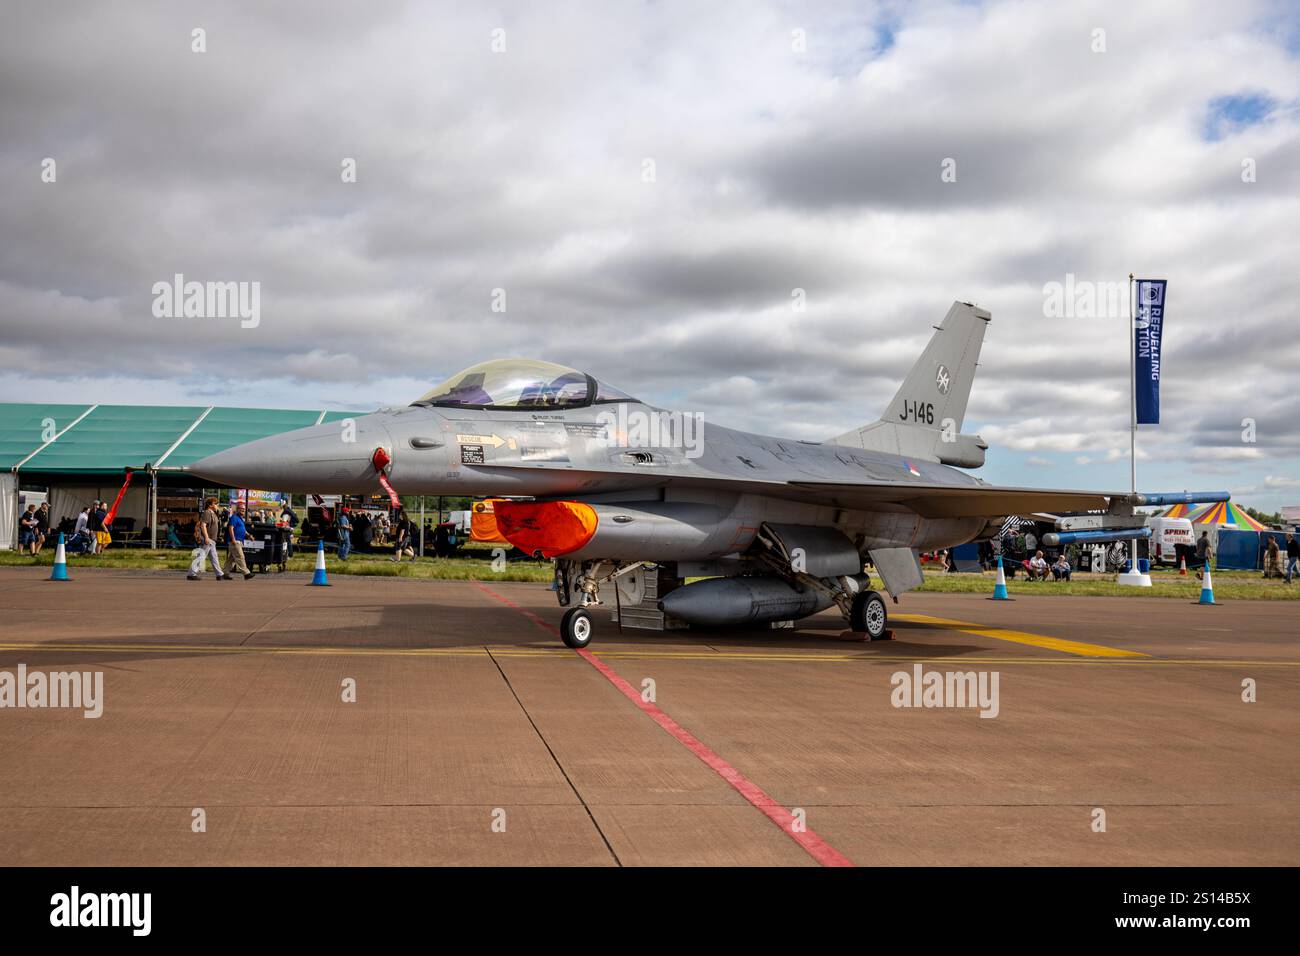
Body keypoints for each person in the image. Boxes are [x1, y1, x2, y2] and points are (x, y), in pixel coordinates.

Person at [189, 497, 229, 581]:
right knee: (201, 556)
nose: (217, 505)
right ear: (210, 505)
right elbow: (203, 525)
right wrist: (206, 537)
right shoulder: (207, 512)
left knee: (214, 557)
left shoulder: (213, 513)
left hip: (212, 539)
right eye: (216, 503)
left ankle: (219, 574)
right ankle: (191, 574)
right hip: (208, 538)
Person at [226, 503, 256, 580]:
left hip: (239, 541)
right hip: (235, 541)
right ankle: (246, 573)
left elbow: (243, 530)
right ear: (237, 509)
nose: (242, 510)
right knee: (240, 557)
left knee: (232, 559)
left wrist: (249, 536)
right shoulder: (234, 517)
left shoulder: (240, 519)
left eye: (244, 509)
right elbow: (231, 528)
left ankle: (225, 574)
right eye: (241, 508)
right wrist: (233, 539)